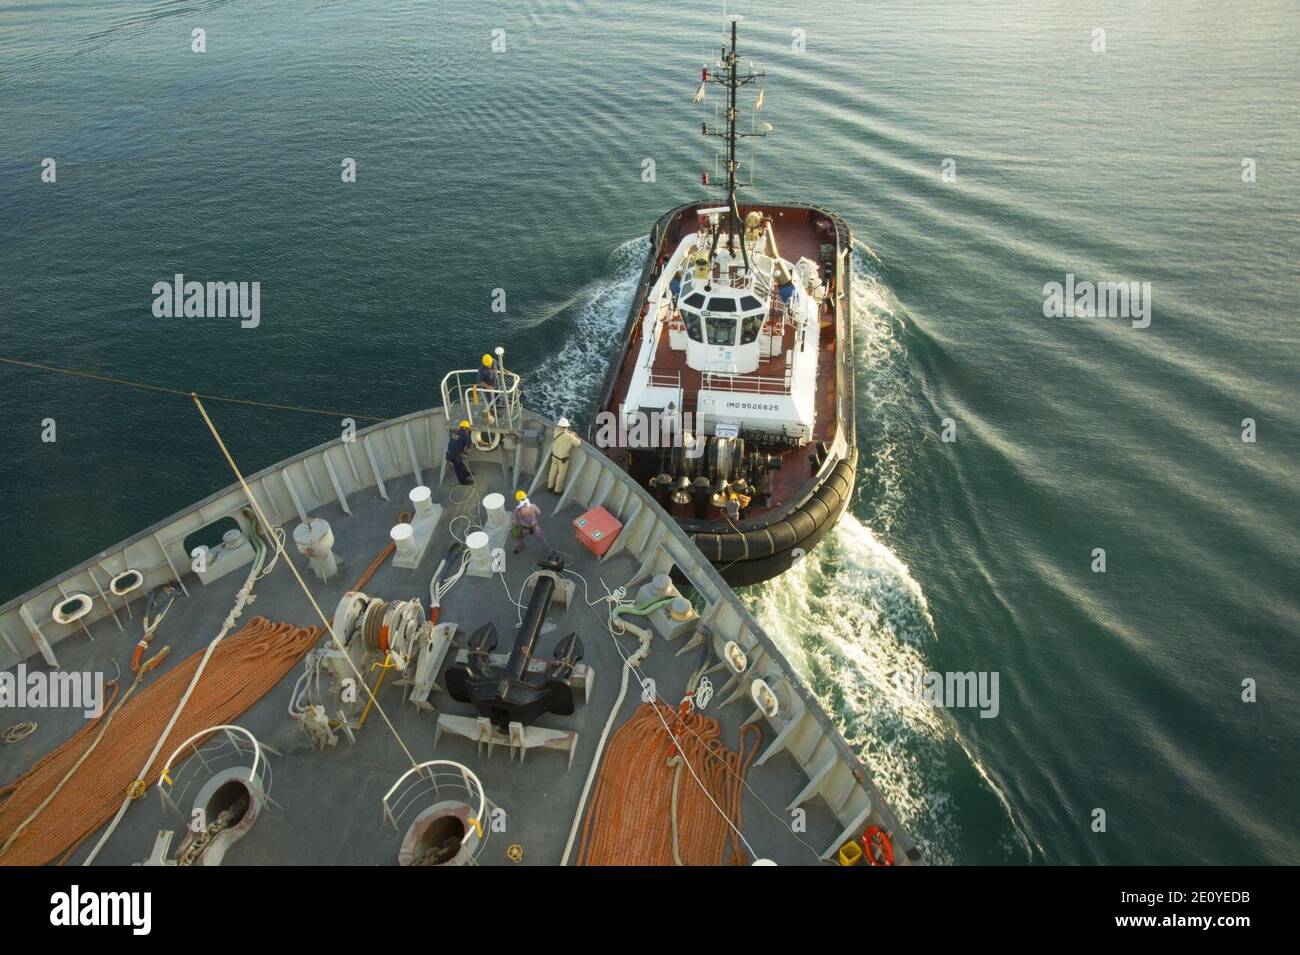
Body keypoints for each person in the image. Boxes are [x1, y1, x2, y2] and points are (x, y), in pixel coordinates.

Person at [547, 417, 582, 492]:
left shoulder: (556, 431)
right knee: (561, 475)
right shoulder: (570, 437)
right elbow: (578, 443)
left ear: (559, 425)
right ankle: (557, 490)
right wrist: (574, 435)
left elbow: (563, 431)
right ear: (567, 426)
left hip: (554, 457)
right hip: (562, 460)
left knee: (552, 472)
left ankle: (550, 487)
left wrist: (569, 432)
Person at [511, 490, 549, 555]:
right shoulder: (533, 506)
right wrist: (533, 509)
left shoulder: (517, 510)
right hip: (534, 526)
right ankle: (548, 552)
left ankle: (520, 548)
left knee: (521, 539)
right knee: (541, 539)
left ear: (518, 500)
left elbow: (514, 521)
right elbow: (539, 512)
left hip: (524, 528)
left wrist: (515, 521)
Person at [446, 420, 474, 486]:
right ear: (466, 428)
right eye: (468, 429)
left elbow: (456, 443)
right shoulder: (464, 435)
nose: (468, 430)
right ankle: (463, 482)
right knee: (458, 469)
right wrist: (476, 444)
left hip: (449, 454)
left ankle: (466, 474)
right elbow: (470, 445)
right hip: (455, 456)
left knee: (461, 465)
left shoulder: (456, 433)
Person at [477, 354, 500, 423]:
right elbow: (480, 381)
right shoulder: (481, 370)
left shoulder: (494, 361)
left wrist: (505, 371)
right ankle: (492, 410)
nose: (489, 365)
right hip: (487, 388)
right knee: (489, 400)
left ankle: (497, 405)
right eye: (487, 365)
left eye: (489, 364)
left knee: (497, 396)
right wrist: (488, 387)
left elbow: (500, 366)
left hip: (496, 385)